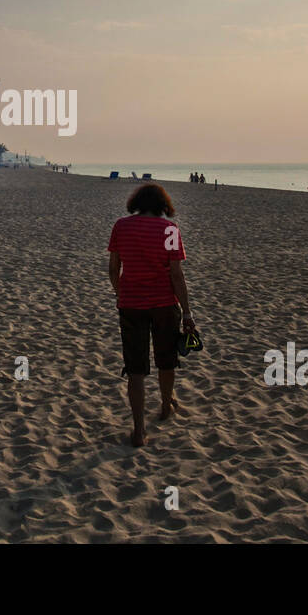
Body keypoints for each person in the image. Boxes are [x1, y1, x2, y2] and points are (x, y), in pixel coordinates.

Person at [107, 183, 194, 448]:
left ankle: (138, 430)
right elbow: (176, 274)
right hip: (164, 305)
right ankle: (166, 406)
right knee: (166, 361)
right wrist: (188, 311)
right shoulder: (169, 229)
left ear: (137, 202)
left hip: (131, 305)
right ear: (163, 205)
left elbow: (114, 268)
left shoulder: (122, 226)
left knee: (135, 369)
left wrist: (121, 294)